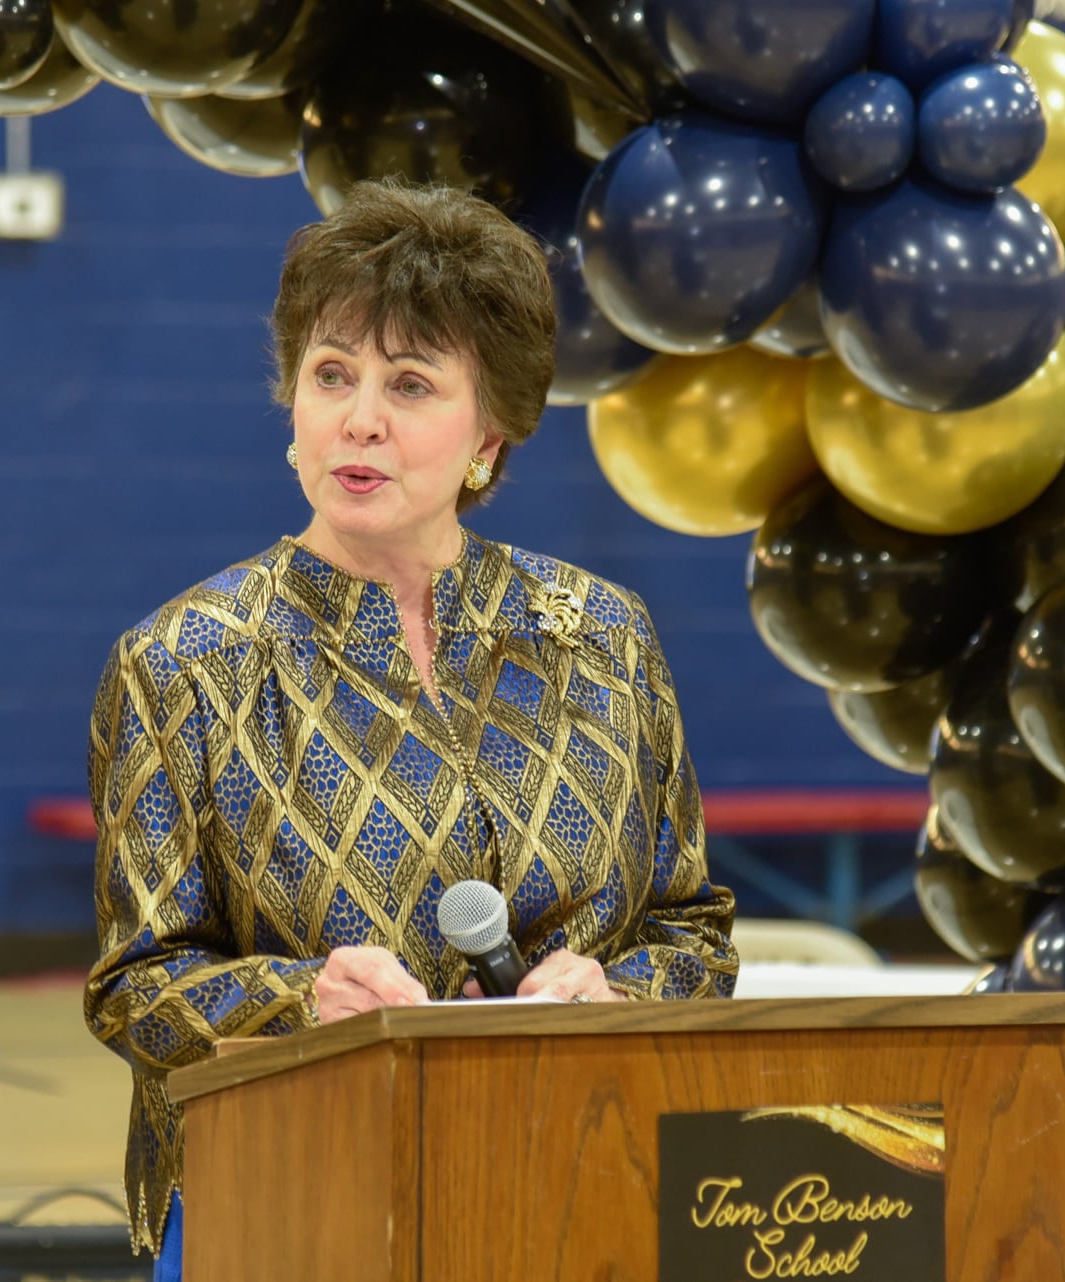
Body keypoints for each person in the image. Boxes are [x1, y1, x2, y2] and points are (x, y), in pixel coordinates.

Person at [83, 178, 738, 1278]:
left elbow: (694, 932)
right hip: (289, 1203)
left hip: (581, 1181)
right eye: (331, 374)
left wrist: (615, 993)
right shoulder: (182, 663)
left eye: (411, 382)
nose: (361, 417)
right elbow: (135, 986)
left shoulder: (605, 638)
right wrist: (304, 999)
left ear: (491, 432)